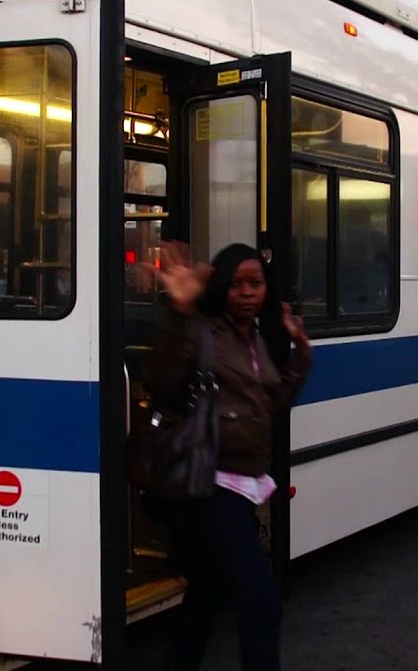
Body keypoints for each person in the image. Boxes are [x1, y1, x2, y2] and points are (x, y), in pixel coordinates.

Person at [147, 240, 312, 671]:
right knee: (262, 601)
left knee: (204, 597)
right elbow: (162, 379)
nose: (246, 293)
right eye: (236, 284)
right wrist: (180, 310)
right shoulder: (203, 330)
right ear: (221, 286)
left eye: (255, 284)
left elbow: (272, 407)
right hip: (209, 482)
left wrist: (301, 354)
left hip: (240, 482)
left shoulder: (255, 337)